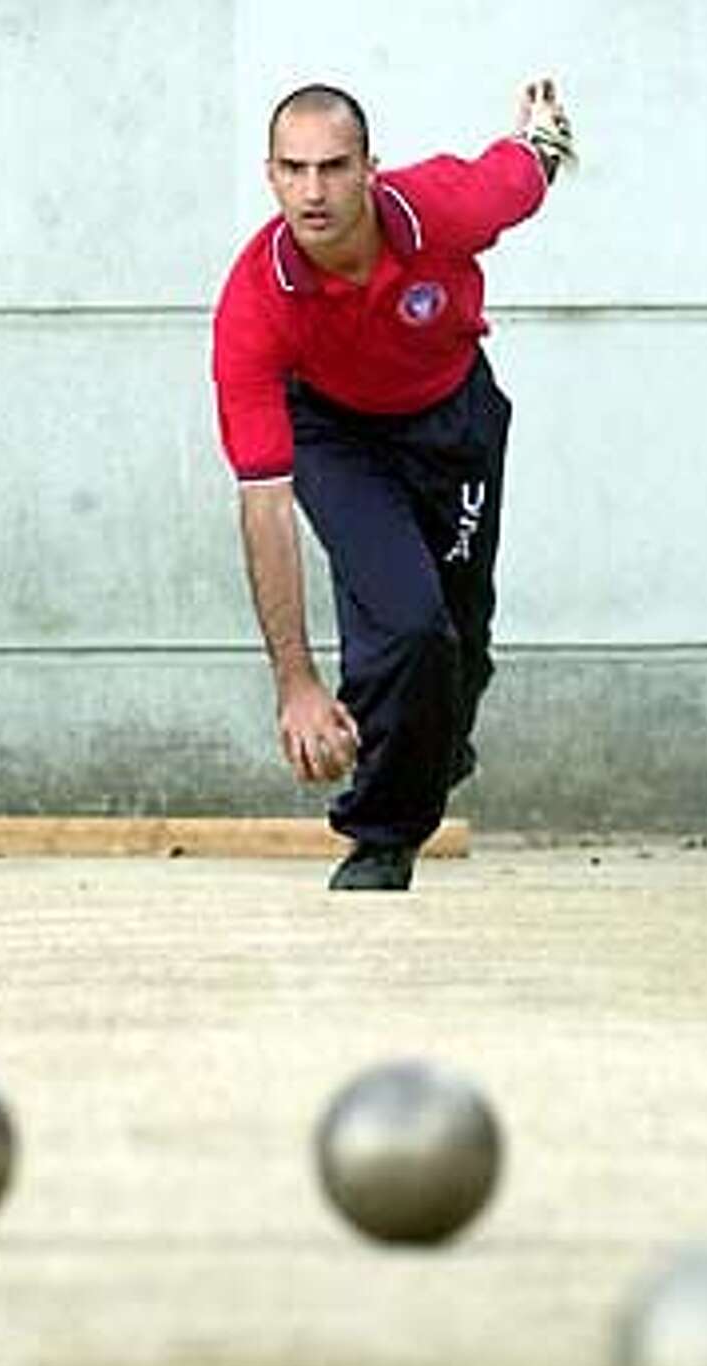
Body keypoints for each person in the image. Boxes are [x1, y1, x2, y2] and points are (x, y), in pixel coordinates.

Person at [212, 78, 574, 889]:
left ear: (369, 168)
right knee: (405, 625)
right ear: (269, 174)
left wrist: (545, 137)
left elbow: (522, 173)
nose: (314, 191)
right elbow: (264, 506)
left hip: (454, 420)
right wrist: (297, 683)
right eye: (294, 169)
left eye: (334, 167)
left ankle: (434, 744)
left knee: (457, 641)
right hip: (337, 435)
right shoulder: (253, 304)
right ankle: (381, 840)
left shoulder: (442, 208)